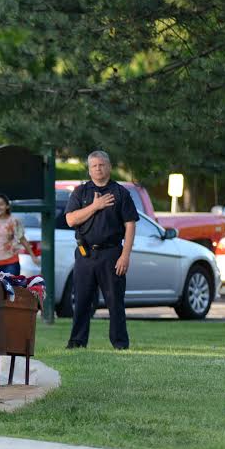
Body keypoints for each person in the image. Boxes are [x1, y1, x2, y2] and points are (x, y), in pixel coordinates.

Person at [64, 150, 137, 350]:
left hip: (112, 253)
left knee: (115, 301)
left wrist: (125, 255)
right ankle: (77, 342)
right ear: (89, 170)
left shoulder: (121, 193)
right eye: (94, 165)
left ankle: (120, 344)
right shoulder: (80, 192)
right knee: (82, 301)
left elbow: (130, 225)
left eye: (102, 165)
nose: (98, 168)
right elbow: (71, 219)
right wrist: (95, 206)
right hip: (85, 253)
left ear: (109, 167)